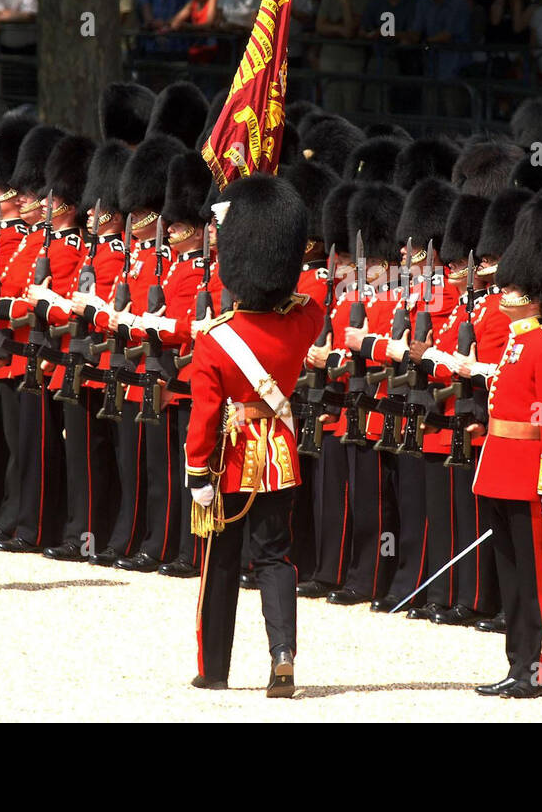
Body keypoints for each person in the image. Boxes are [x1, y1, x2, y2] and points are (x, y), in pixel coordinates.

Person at [184, 174, 323, 696]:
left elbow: (203, 417)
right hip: (280, 454)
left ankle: (214, 668)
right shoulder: (301, 323)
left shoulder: (217, 341)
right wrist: (283, 264)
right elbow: (313, 297)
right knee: (275, 557)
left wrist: (197, 470)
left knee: (219, 560)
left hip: (229, 460)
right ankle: (282, 658)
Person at [471, 193, 542, 698]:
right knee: (513, 580)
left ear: (537, 292)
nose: (505, 293)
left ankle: (538, 672)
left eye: (515, 286)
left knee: (537, 579)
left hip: (532, 479)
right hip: (500, 471)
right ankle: (518, 664)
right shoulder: (519, 341)